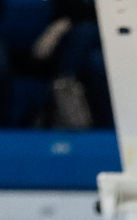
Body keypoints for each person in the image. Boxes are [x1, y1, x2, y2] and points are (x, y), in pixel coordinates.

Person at [19, 0, 109, 129]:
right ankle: (65, 94)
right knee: (91, 56)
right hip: (71, 41)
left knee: (86, 36)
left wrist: (64, 23)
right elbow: (65, 7)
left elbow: (116, 13)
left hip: (113, 37)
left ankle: (64, 93)